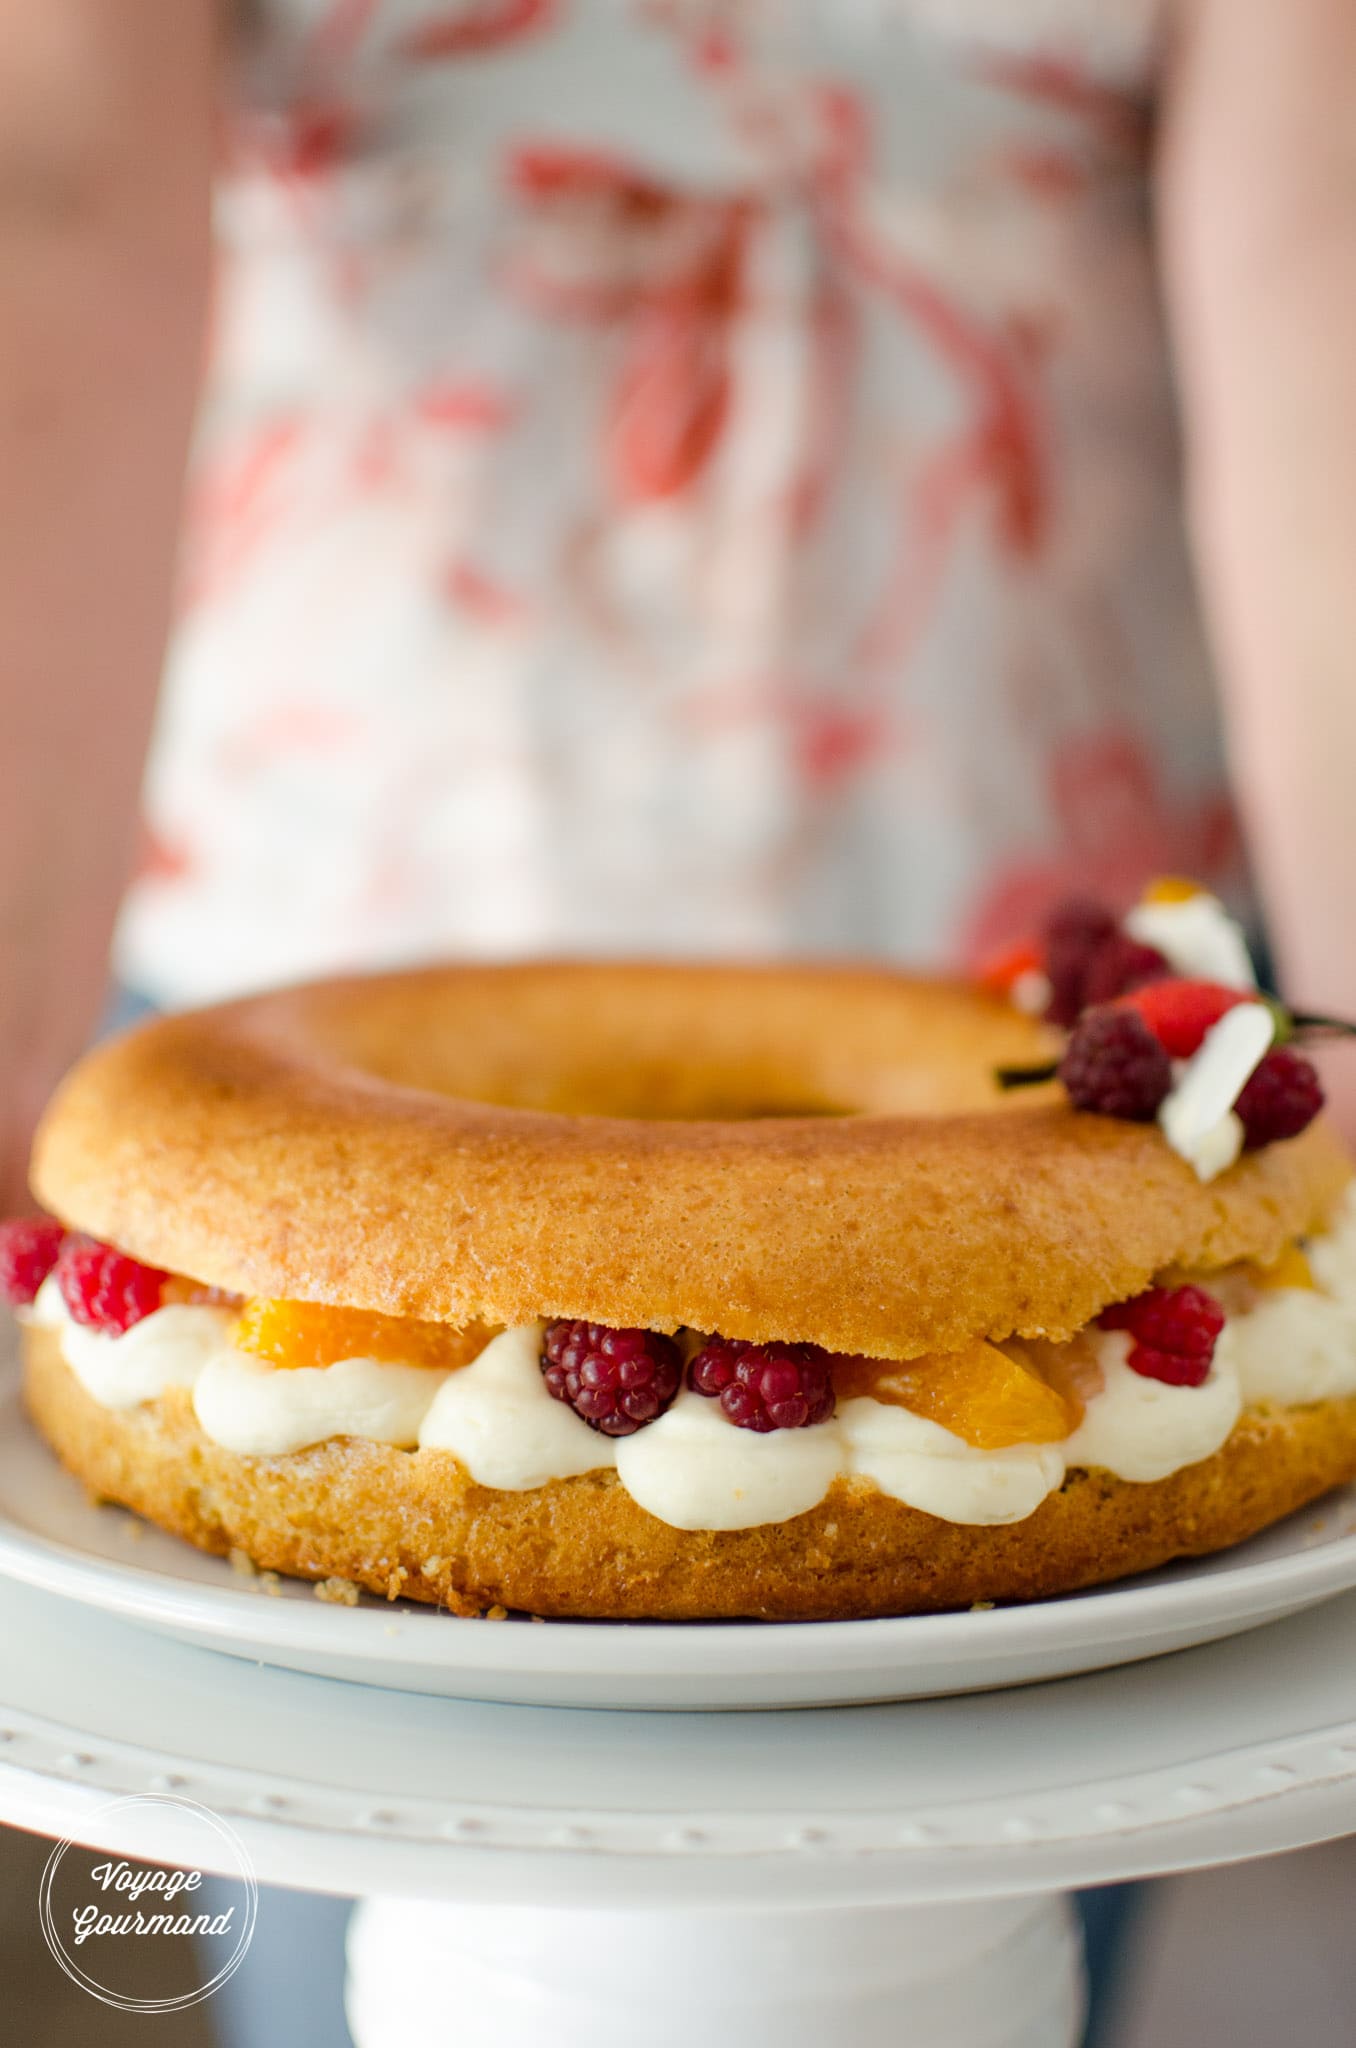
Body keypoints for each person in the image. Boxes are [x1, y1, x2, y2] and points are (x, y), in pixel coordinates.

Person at [1, 5, 1354, 2044]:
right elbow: (51, 195)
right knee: (331, 1863)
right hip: (285, 970)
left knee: (987, 1900)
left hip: (1068, 1003)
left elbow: (1320, 239)